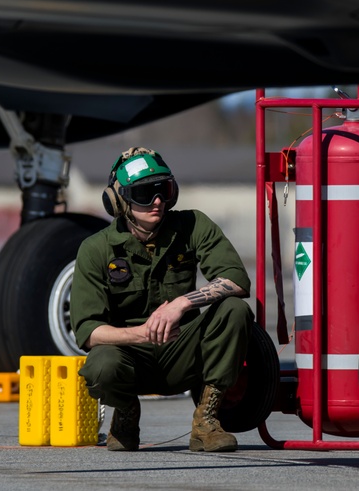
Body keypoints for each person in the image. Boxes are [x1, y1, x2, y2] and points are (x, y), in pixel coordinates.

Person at [71, 146, 253, 452]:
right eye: (144, 193)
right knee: (101, 363)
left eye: (164, 190)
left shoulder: (193, 225)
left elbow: (236, 280)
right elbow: (88, 332)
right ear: (120, 201)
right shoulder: (96, 249)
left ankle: (205, 420)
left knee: (235, 310)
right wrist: (142, 333)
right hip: (131, 357)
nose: (157, 201)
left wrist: (182, 304)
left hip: (183, 348)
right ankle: (126, 414)